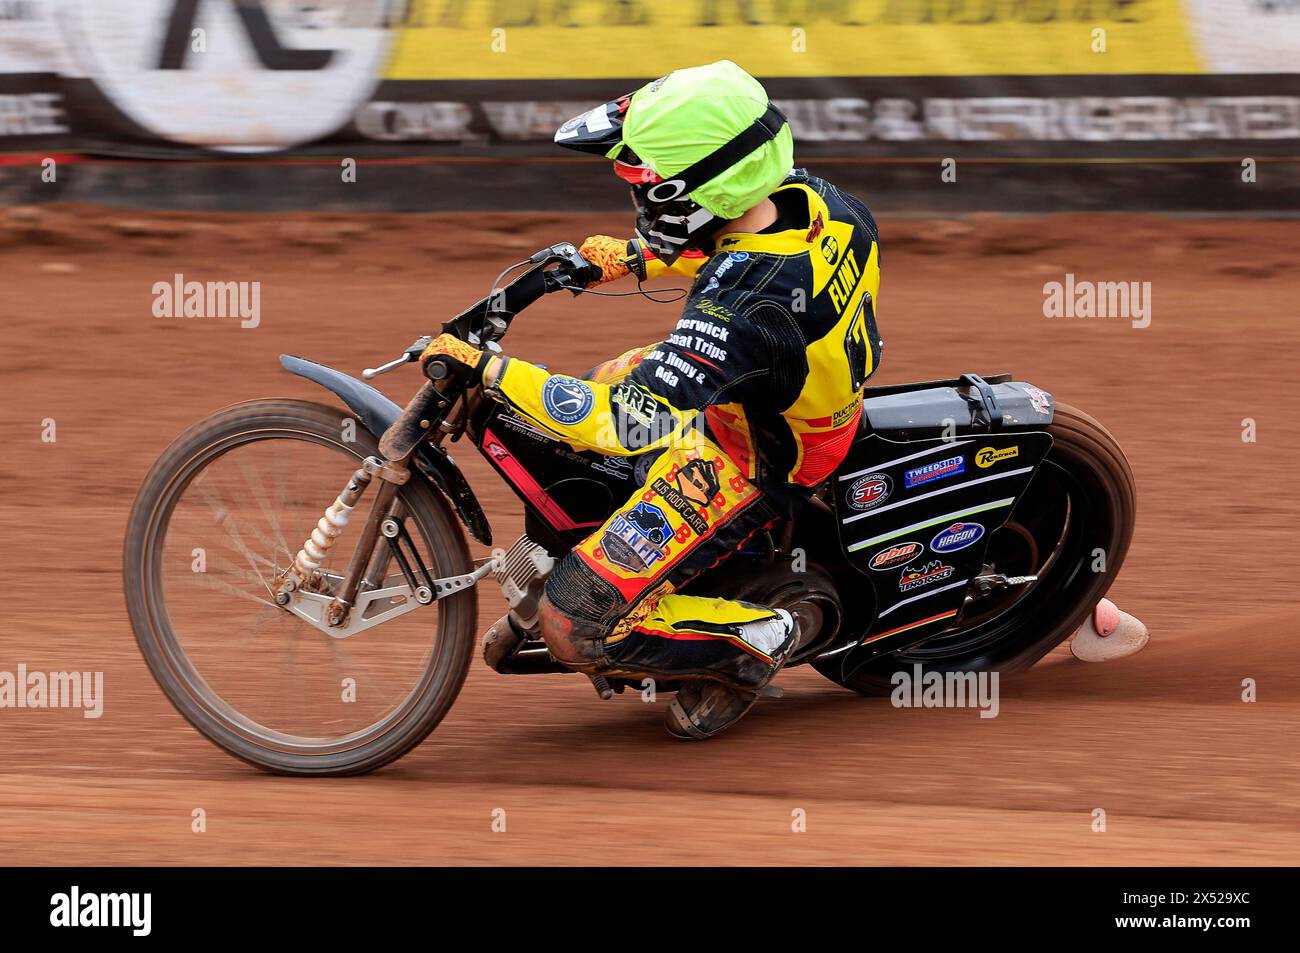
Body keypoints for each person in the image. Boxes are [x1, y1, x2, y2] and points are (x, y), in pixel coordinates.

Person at [420, 60, 1146, 739]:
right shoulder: (817, 201)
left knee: (572, 621)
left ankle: (757, 643)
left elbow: (632, 420)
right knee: (599, 388)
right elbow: (738, 242)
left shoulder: (746, 308)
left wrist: (488, 369)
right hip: (787, 395)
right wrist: (627, 256)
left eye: (646, 187)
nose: (636, 199)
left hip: (754, 455)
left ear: (695, 192)